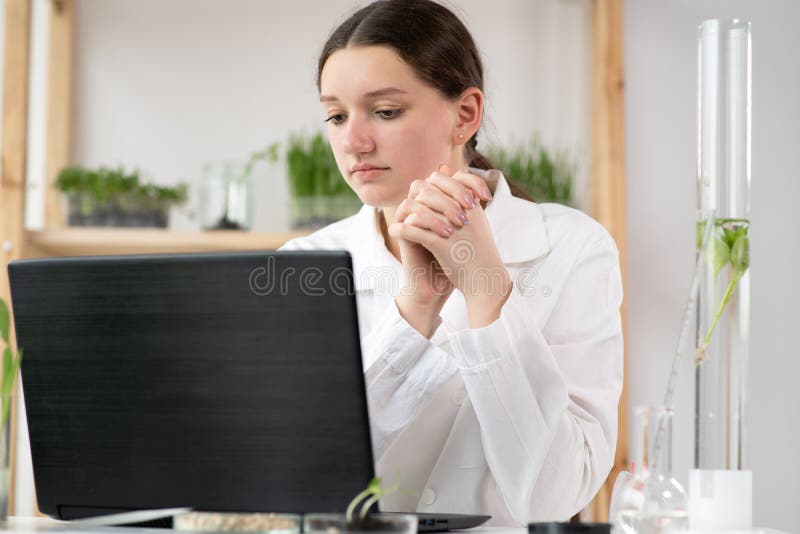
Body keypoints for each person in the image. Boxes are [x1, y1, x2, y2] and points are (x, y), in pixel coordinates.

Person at [280, 0, 623, 525]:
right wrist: (414, 308)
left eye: (386, 111)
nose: (353, 141)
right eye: (335, 115)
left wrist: (487, 291)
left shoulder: (573, 248)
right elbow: (294, 471)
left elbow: (556, 496)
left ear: (465, 114)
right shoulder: (304, 265)